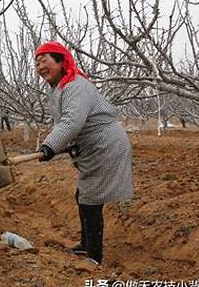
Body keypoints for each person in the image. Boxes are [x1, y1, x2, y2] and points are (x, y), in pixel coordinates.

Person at [34, 41, 134, 266]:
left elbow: (72, 122)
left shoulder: (76, 85)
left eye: (45, 60)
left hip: (105, 146)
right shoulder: (61, 88)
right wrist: (54, 146)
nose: (40, 66)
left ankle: (94, 256)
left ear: (61, 61)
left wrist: (50, 146)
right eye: (37, 62)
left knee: (90, 199)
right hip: (93, 146)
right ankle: (85, 244)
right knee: (83, 195)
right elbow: (66, 123)